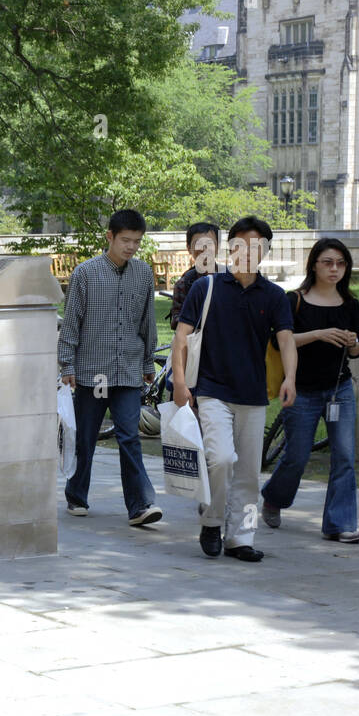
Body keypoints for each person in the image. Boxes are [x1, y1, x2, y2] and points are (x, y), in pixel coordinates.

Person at [171, 216, 296, 562]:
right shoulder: (206, 288)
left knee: (249, 475)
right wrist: (180, 383)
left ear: (266, 252)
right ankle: (211, 521)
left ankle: (241, 537)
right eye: (241, 244)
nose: (248, 252)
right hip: (212, 391)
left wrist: (290, 378)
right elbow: (181, 339)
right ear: (231, 248)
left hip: (254, 396)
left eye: (258, 246)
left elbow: (286, 341)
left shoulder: (274, 296)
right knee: (221, 458)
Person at [57, 208, 163, 526]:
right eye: (126, 240)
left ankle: (140, 505)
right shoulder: (85, 274)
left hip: (129, 369)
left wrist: (147, 361)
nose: (131, 247)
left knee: (129, 436)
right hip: (93, 371)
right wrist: (67, 365)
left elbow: (148, 322)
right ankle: (77, 495)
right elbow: (71, 322)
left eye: (137, 241)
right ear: (110, 237)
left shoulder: (144, 274)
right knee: (87, 436)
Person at [260, 239, 359, 542]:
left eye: (341, 263)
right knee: (296, 455)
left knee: (344, 456)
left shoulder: (350, 303)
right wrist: (318, 334)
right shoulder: (293, 300)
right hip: (301, 391)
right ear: (314, 265)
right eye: (328, 262)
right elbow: (278, 341)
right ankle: (274, 497)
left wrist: (353, 343)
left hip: (340, 390)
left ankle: (340, 524)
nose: (335, 269)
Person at [168, 222, 224, 331]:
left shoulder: (231, 279)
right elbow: (176, 320)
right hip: (196, 345)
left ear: (218, 247)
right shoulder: (184, 284)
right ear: (189, 248)